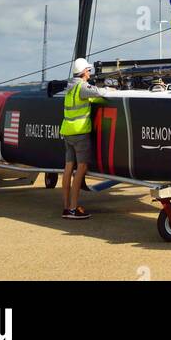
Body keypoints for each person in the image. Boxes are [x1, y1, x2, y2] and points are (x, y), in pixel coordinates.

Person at [60, 57, 106, 220]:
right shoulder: (82, 86)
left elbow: (87, 97)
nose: (90, 73)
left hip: (68, 132)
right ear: (84, 72)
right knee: (81, 169)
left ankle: (66, 208)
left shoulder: (70, 88)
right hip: (80, 133)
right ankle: (74, 208)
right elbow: (100, 93)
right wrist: (109, 91)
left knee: (67, 169)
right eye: (89, 70)